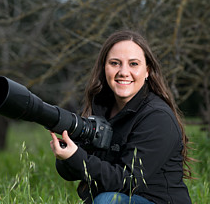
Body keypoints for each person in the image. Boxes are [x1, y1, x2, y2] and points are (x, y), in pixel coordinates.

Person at [50, 30, 192, 204]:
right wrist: (67, 156)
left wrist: (77, 158)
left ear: (147, 71)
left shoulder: (158, 117)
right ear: (104, 68)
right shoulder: (100, 108)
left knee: (109, 200)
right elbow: (72, 172)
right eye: (115, 63)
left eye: (133, 64)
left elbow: (128, 181)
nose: (123, 72)